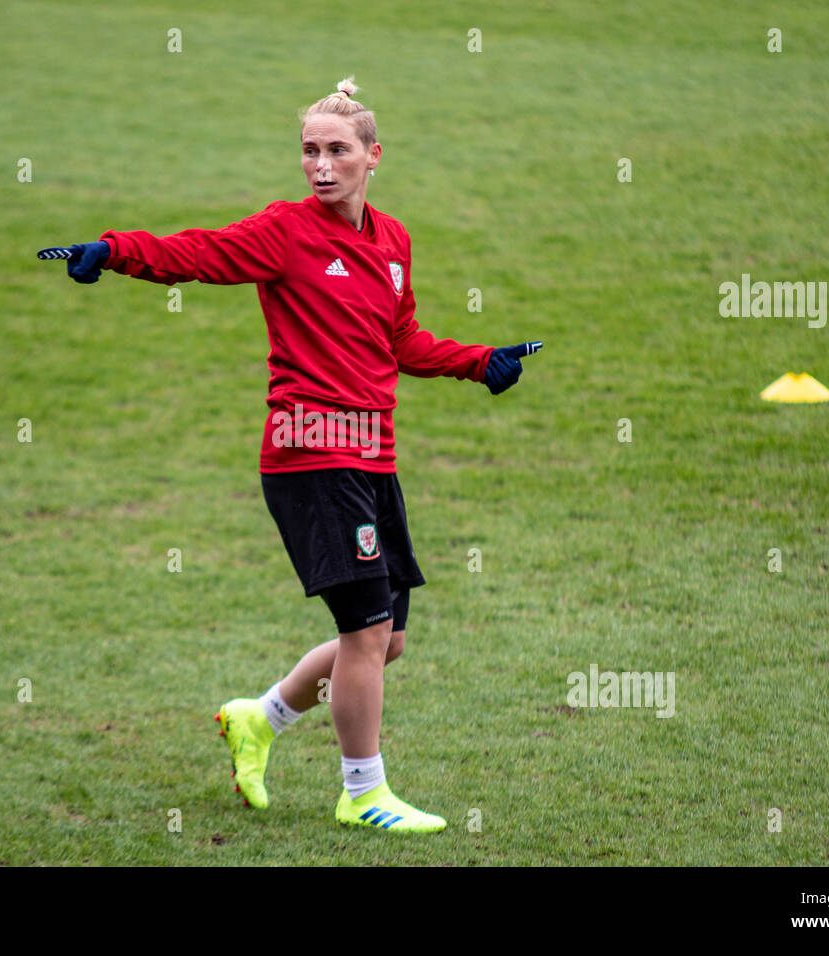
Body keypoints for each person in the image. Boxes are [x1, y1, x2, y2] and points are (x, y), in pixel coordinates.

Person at [58, 77, 539, 833]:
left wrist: (479, 362)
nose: (320, 164)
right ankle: (362, 793)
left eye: (337, 150)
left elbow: (401, 339)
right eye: (309, 151)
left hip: (372, 457)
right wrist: (113, 250)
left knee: (390, 641)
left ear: (373, 156)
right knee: (365, 634)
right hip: (311, 454)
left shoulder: (393, 242)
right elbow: (199, 252)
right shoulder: (284, 231)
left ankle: (261, 717)